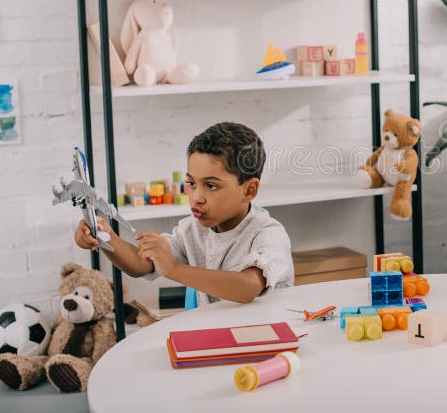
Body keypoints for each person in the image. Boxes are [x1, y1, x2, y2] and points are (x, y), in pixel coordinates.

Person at [74, 122, 294, 306]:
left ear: (249, 190)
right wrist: (104, 236)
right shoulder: (192, 229)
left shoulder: (268, 234)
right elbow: (141, 265)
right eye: (191, 183)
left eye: (212, 186)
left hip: (267, 338)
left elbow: (247, 287)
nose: (196, 197)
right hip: (220, 337)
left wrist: (174, 269)